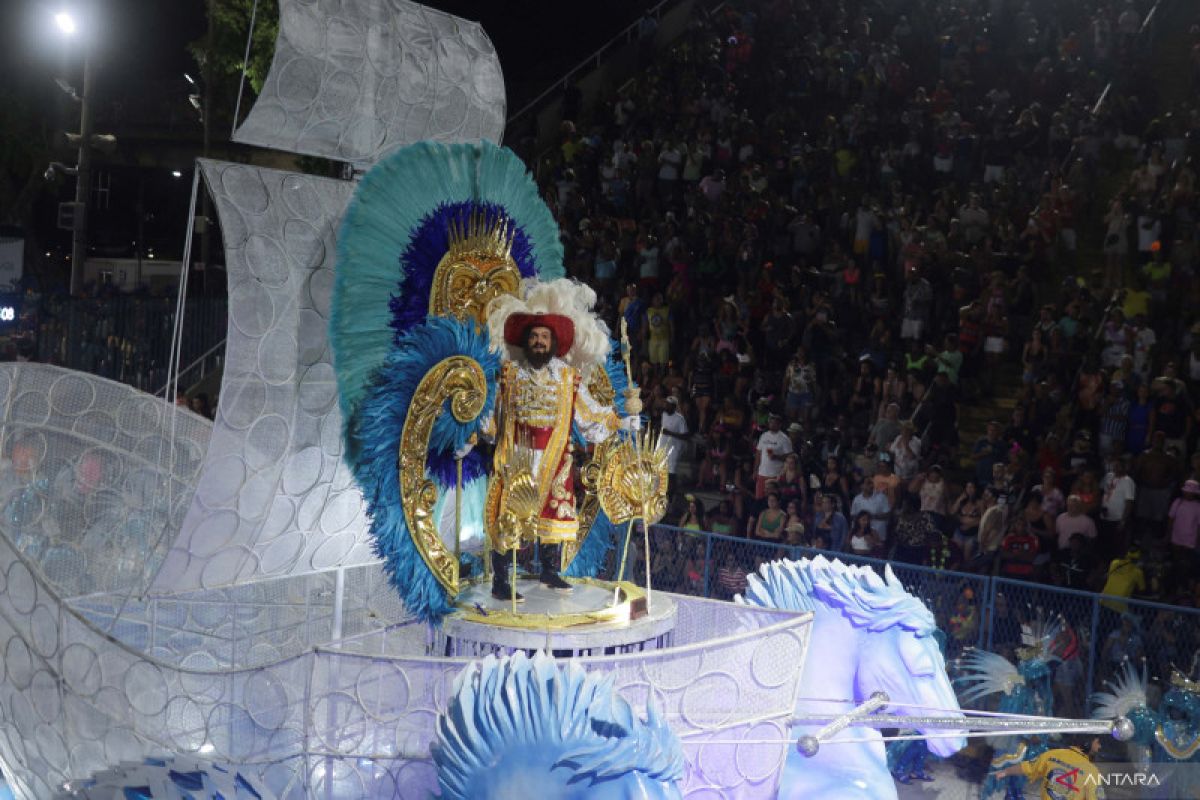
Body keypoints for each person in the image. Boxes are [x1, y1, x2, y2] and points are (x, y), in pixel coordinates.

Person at [483, 312, 629, 601]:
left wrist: (622, 421)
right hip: (517, 457)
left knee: (553, 513)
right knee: (509, 517)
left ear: (553, 343)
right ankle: (501, 580)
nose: (539, 342)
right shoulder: (509, 373)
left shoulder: (567, 376)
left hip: (554, 457)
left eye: (544, 337)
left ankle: (549, 571)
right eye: (535, 336)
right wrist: (476, 432)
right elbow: (492, 411)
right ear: (527, 341)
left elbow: (588, 413)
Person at [993, 736, 1103, 800]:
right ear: (1087, 744)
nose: (1100, 747)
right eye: (1097, 743)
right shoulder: (1092, 771)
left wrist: (1006, 772)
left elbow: (1027, 767)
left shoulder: (1053, 755)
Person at [754, 413, 793, 498]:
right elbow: (758, 453)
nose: (772, 425)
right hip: (762, 473)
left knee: (773, 498)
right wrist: (755, 470)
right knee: (759, 498)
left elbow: (790, 457)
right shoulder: (764, 436)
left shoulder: (784, 439)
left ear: (779, 424)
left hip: (776, 474)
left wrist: (776, 457)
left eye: (775, 423)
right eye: (771, 423)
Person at [659, 396, 689, 495]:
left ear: (673, 406)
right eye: (665, 404)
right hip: (662, 446)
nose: (666, 406)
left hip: (674, 448)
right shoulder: (663, 414)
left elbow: (685, 435)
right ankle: (662, 491)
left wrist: (670, 433)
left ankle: (672, 494)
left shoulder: (680, 419)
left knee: (671, 472)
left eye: (668, 405)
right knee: (661, 470)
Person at [850, 477, 891, 543]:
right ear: (861, 486)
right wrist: (862, 518)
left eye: (872, 483)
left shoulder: (881, 497)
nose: (871, 486)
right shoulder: (857, 499)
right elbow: (852, 516)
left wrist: (872, 516)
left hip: (879, 534)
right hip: (861, 536)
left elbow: (888, 515)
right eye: (868, 483)